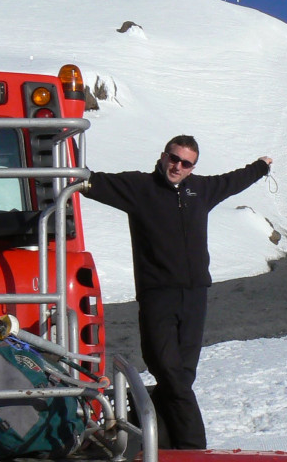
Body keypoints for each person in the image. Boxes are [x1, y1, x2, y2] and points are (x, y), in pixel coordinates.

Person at [81, 135, 272, 449]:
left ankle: (163, 441)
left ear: (192, 167)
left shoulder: (200, 189)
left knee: (182, 375)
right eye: (173, 158)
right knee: (169, 370)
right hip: (158, 295)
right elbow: (94, 183)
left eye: (186, 163)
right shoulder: (140, 188)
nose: (177, 166)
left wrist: (260, 168)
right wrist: (71, 168)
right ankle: (194, 448)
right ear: (163, 155)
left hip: (195, 296)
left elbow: (232, 181)